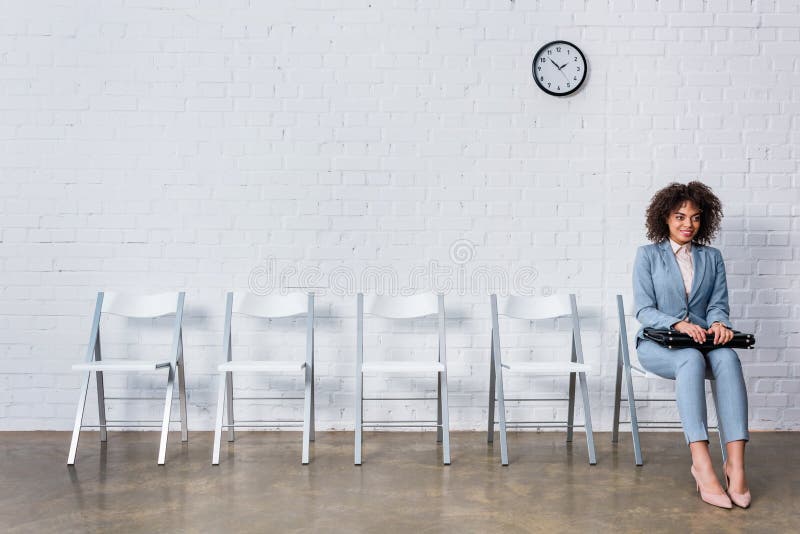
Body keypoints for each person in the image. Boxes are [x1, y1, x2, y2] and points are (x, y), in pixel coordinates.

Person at [633, 181, 750, 509]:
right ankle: (701, 463)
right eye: (680, 216)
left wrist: (717, 323)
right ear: (665, 218)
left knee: (728, 358)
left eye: (696, 218)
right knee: (690, 360)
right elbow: (643, 310)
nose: (688, 224)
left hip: (703, 342)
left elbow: (718, 303)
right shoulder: (648, 256)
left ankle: (735, 466)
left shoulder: (712, 257)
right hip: (659, 346)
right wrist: (677, 323)